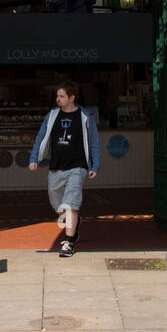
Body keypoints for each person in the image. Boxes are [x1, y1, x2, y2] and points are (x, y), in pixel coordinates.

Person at [28, 80, 101, 257]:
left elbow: (94, 143)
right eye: (57, 96)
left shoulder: (85, 116)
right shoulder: (52, 115)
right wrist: (34, 158)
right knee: (58, 203)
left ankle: (68, 243)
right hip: (56, 166)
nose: (58, 99)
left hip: (78, 166)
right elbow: (41, 137)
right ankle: (74, 222)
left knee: (71, 204)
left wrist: (95, 165)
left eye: (61, 96)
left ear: (72, 98)